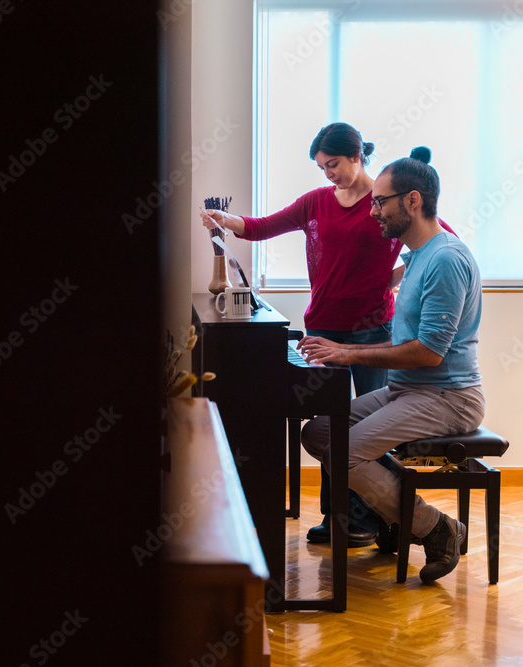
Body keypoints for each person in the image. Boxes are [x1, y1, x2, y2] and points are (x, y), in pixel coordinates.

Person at [201, 122, 400, 547]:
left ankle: (377, 520)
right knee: (330, 422)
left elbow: (435, 240)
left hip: (372, 332)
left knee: (370, 426)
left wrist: (393, 278)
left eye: (333, 165)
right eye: (322, 167)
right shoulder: (316, 202)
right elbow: (261, 226)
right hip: (323, 325)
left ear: (356, 156)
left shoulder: (383, 204)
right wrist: (224, 220)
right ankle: (338, 519)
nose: (328, 174)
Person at [297, 147, 485, 583]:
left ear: (413, 201)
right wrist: (341, 349)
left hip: (448, 397)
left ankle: (434, 529)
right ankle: (397, 516)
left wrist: (348, 353)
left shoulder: (446, 260)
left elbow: (428, 353)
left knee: (343, 456)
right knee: (319, 432)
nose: (373, 211)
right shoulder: (417, 257)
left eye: (380, 202)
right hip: (409, 391)